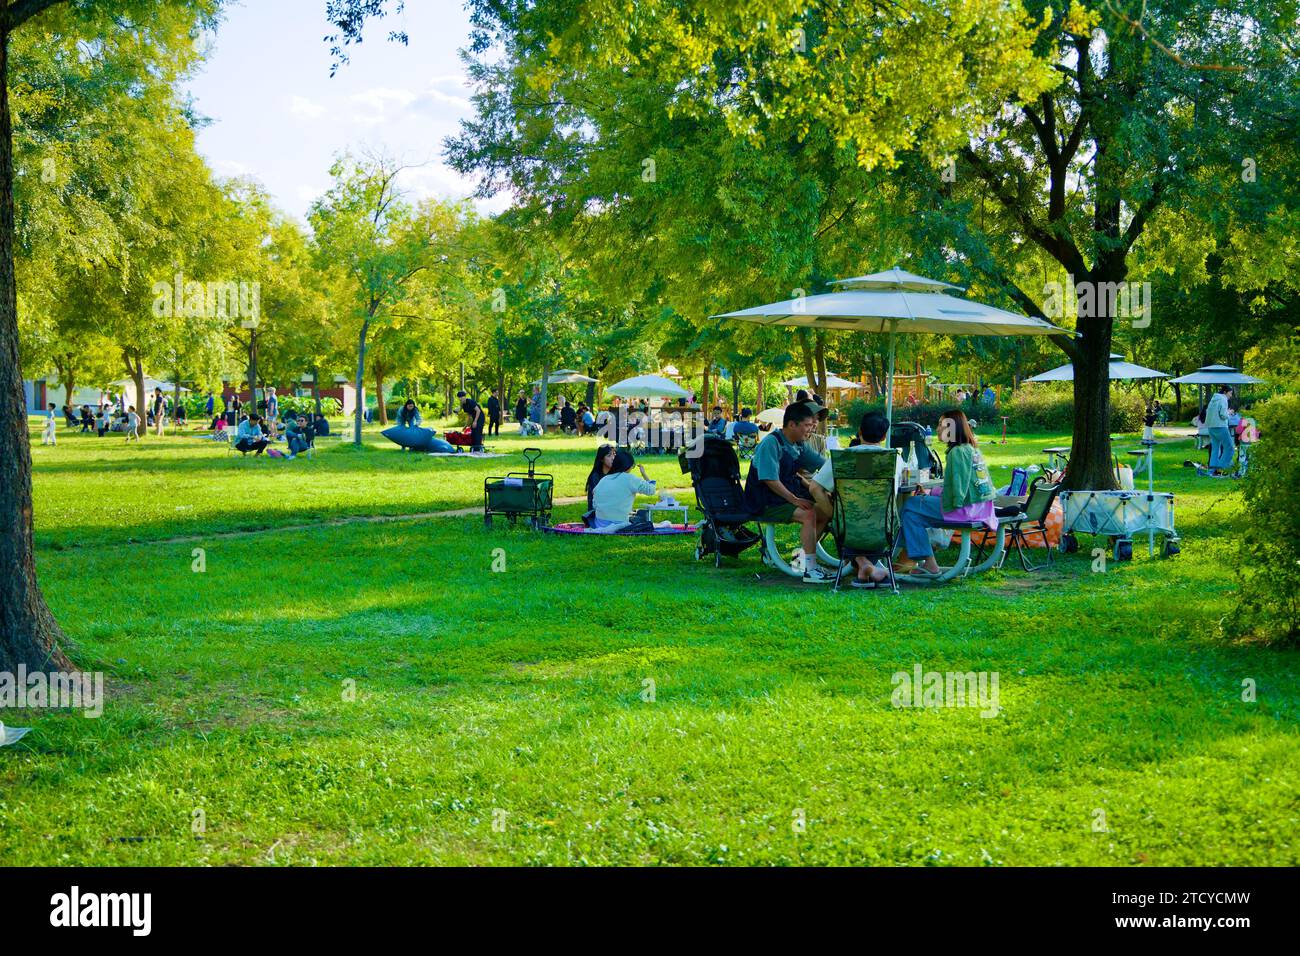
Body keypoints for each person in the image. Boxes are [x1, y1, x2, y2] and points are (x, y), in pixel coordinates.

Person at [801, 411, 899, 587]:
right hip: (882, 527)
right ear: (884, 436)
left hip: (848, 527)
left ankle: (864, 565)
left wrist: (833, 514)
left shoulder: (842, 459)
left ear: (859, 431)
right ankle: (866, 566)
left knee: (847, 525)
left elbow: (814, 488)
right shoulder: (894, 460)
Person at [898, 409, 996, 576]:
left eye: (941, 425)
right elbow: (960, 485)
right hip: (981, 508)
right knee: (912, 514)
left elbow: (957, 492)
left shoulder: (956, 453)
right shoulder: (970, 449)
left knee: (910, 505)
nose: (937, 429)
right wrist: (930, 493)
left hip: (965, 510)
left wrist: (930, 496)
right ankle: (926, 563)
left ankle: (907, 557)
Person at [742, 401, 832, 582]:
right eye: (807, 425)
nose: (811, 429)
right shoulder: (771, 443)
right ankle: (809, 569)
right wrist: (795, 500)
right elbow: (770, 480)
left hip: (782, 498)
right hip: (764, 501)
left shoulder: (799, 444)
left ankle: (801, 560)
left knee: (825, 511)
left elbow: (823, 465)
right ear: (792, 424)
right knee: (809, 514)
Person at [591, 449, 657, 530]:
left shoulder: (604, 479)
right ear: (628, 465)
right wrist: (644, 474)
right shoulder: (630, 479)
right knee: (641, 517)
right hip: (620, 523)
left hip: (599, 523)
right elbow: (651, 490)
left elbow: (594, 501)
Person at [1205, 385, 1234, 475]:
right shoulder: (1223, 399)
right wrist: (1229, 413)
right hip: (1220, 426)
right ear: (1225, 392)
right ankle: (1220, 468)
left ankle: (1211, 470)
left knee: (1215, 449)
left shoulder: (1213, 399)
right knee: (1230, 448)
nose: (1231, 395)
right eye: (1230, 393)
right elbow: (1223, 415)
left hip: (1211, 427)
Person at [585, 444, 618, 510]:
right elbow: (594, 502)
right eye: (609, 456)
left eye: (614, 454)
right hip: (599, 514)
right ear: (602, 459)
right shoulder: (595, 477)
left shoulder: (617, 474)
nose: (613, 458)